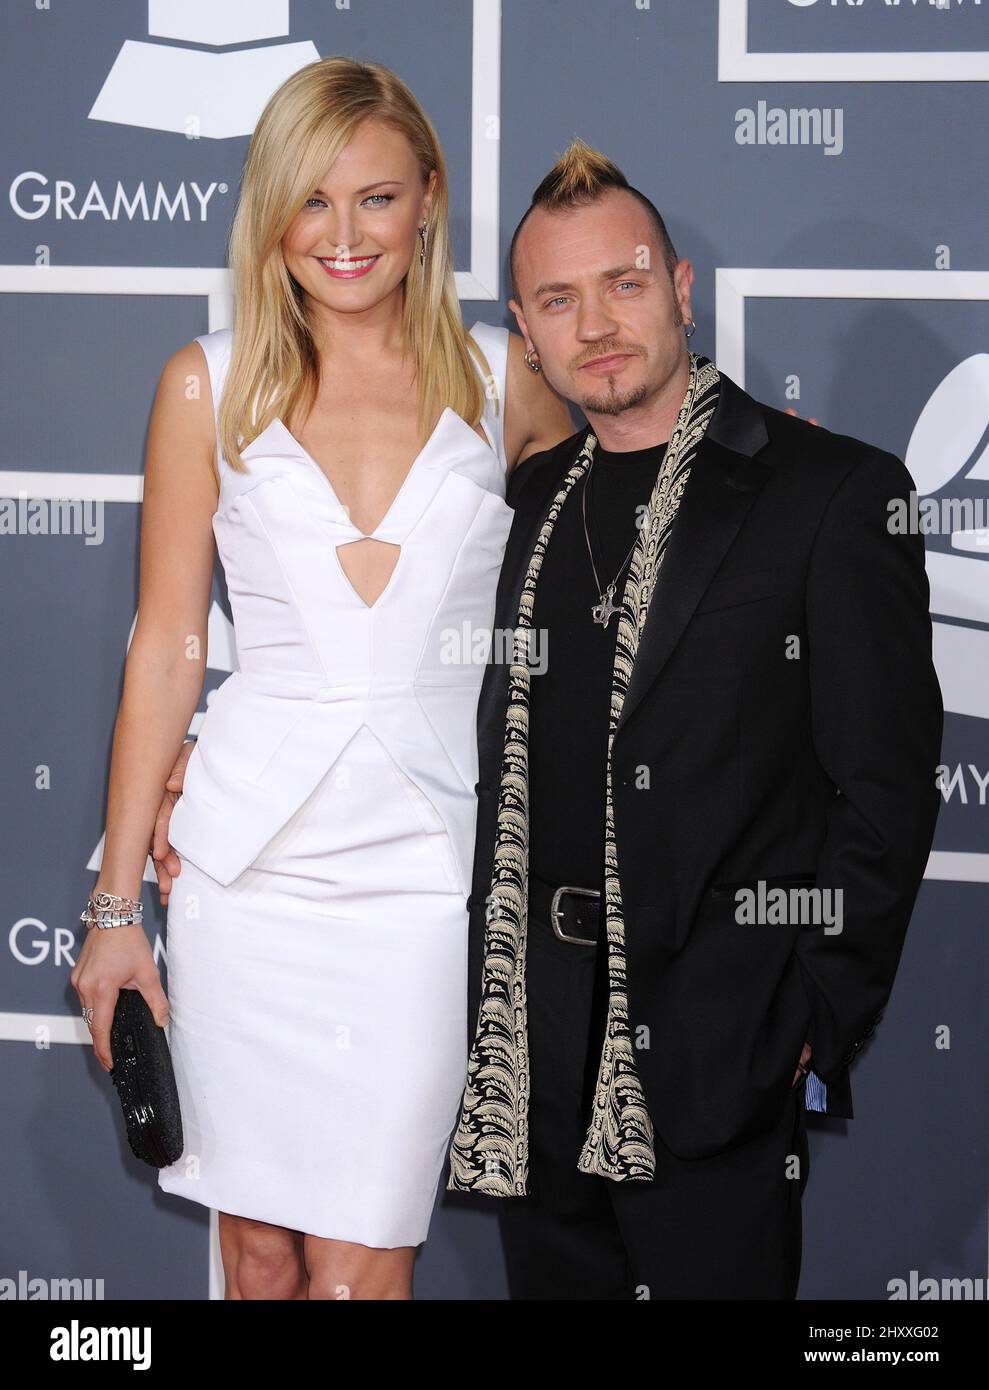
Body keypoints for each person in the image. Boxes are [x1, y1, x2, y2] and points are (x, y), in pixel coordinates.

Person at [70, 56, 571, 1302]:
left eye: (377, 200)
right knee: (258, 1256)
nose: (344, 237)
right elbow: (171, 643)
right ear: (273, 215)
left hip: (416, 883)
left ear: (428, 201)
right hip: (246, 878)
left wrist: (769, 459)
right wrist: (117, 905)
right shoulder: (207, 383)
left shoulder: (505, 383)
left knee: (359, 1265)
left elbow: (602, 565)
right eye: (312, 202)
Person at [440, 139, 944, 1298]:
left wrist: (816, 1010)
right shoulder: (521, 506)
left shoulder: (829, 494)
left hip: (721, 1038)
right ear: (526, 325)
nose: (596, 324)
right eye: (558, 300)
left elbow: (882, 780)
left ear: (678, 287)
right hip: (534, 1042)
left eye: (622, 283)